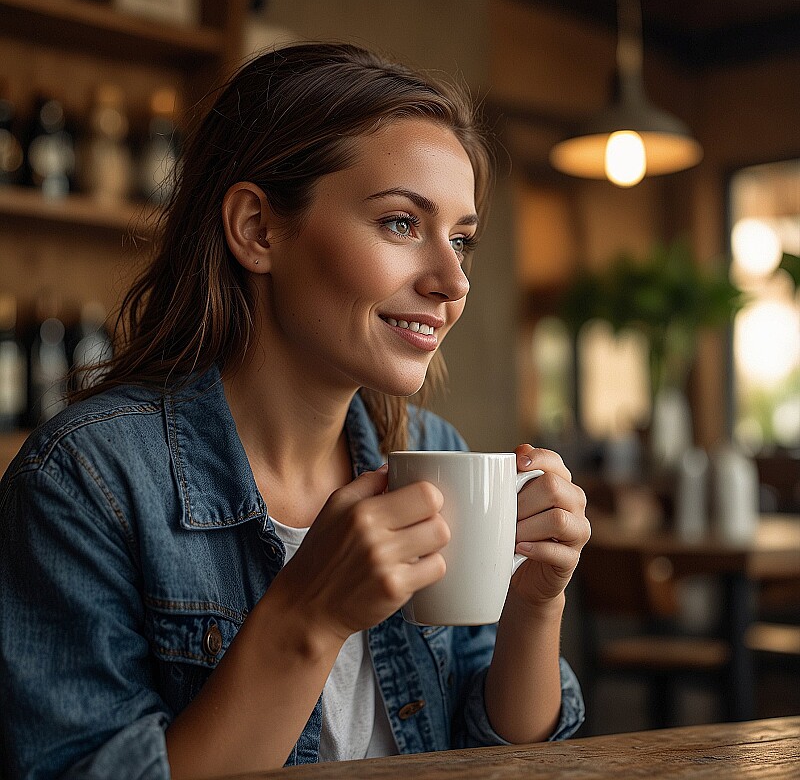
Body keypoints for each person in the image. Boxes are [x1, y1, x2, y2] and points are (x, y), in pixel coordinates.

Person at [0, 43, 589, 779]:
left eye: (461, 239)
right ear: (257, 229)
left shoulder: (433, 449)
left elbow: (504, 750)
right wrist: (308, 618)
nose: (452, 281)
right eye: (403, 223)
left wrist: (535, 604)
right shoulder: (88, 482)